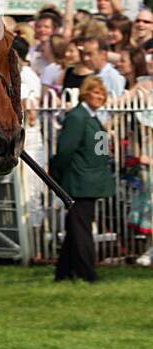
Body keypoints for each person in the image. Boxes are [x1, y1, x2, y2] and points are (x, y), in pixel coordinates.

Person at [50, 76, 116, 283]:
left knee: (75, 228)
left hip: (91, 181)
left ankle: (64, 272)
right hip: (80, 182)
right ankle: (88, 274)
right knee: (81, 229)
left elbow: (101, 152)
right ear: (85, 94)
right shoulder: (78, 117)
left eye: (102, 93)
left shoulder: (93, 118)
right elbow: (65, 150)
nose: (99, 97)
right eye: (95, 92)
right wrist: (58, 174)